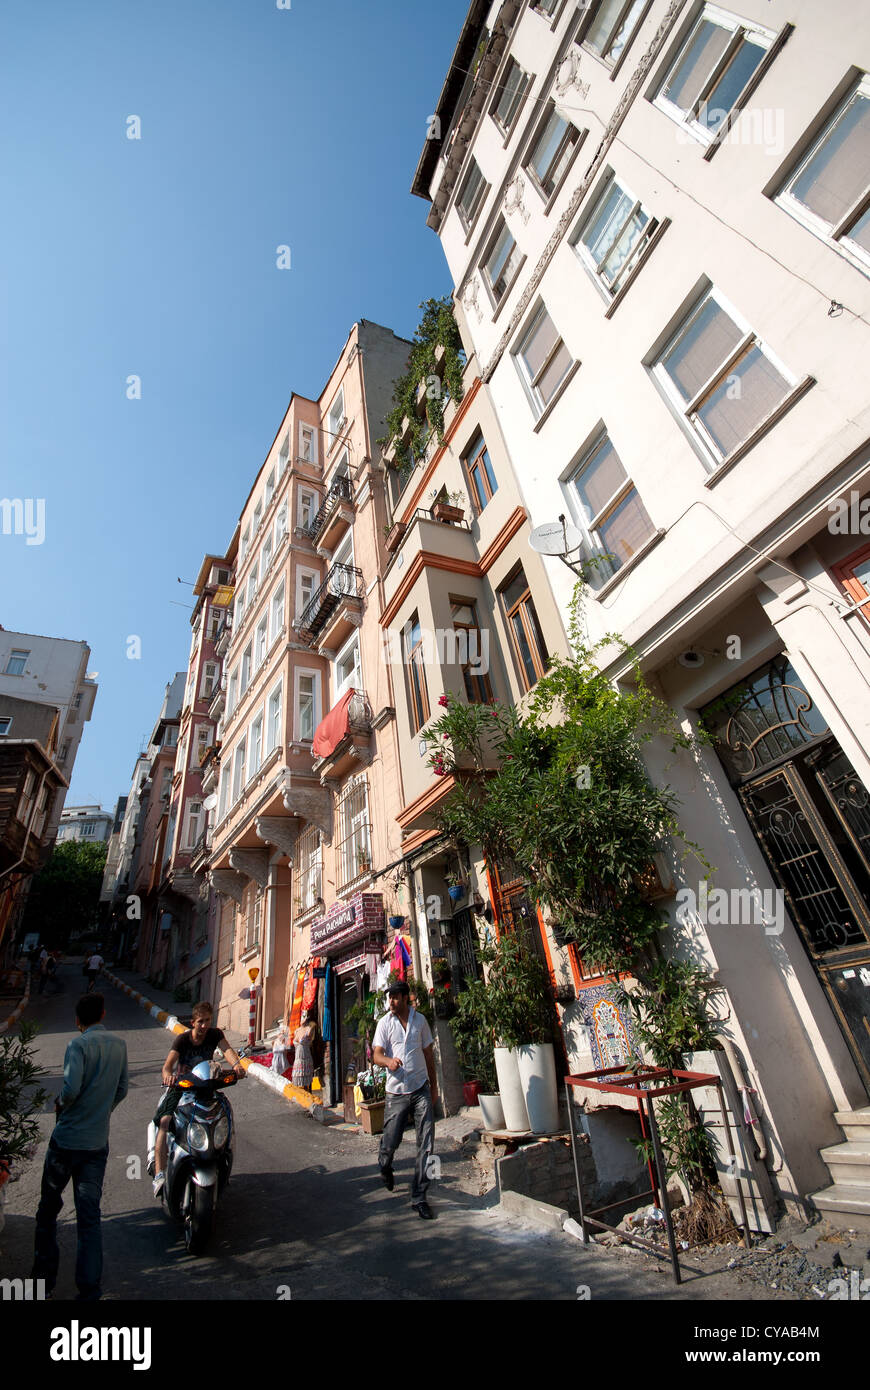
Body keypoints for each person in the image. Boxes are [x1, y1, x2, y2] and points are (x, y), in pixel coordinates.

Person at [32, 993, 128, 1301]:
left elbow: (71, 1089)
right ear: (102, 1014)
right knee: (89, 1217)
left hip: (67, 1141)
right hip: (96, 1143)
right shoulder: (119, 1045)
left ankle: (42, 1283)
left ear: (77, 1021)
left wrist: (60, 1102)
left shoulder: (77, 1045)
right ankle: (89, 1290)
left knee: (48, 1210)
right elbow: (122, 1089)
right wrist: (102, 1111)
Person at [152, 1001, 244, 1198]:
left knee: (225, 1114)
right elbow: (168, 1065)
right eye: (200, 1021)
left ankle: (223, 1157)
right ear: (193, 1022)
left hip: (207, 1088)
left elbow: (227, 1050)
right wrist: (168, 1076)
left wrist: (237, 1066)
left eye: (208, 1021)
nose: (204, 1026)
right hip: (182, 1088)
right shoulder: (182, 1040)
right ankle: (159, 1174)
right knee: (165, 1121)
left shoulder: (215, 1035)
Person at [372, 980, 439, 1220]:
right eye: (389, 997)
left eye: (395, 997)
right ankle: (384, 1163)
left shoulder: (420, 1021)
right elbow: (376, 1054)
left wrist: (434, 1087)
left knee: (428, 1141)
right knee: (391, 1139)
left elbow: (428, 1054)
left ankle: (420, 1196)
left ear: (405, 998)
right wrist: (388, 1061)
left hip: (420, 1088)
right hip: (396, 1092)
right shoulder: (384, 1024)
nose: (391, 1001)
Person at [291, 1009, 317, 1089]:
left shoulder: (309, 1029)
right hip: (298, 1057)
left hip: (305, 1055)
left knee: (307, 1077)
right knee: (298, 1078)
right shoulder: (296, 1031)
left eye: (304, 1017)